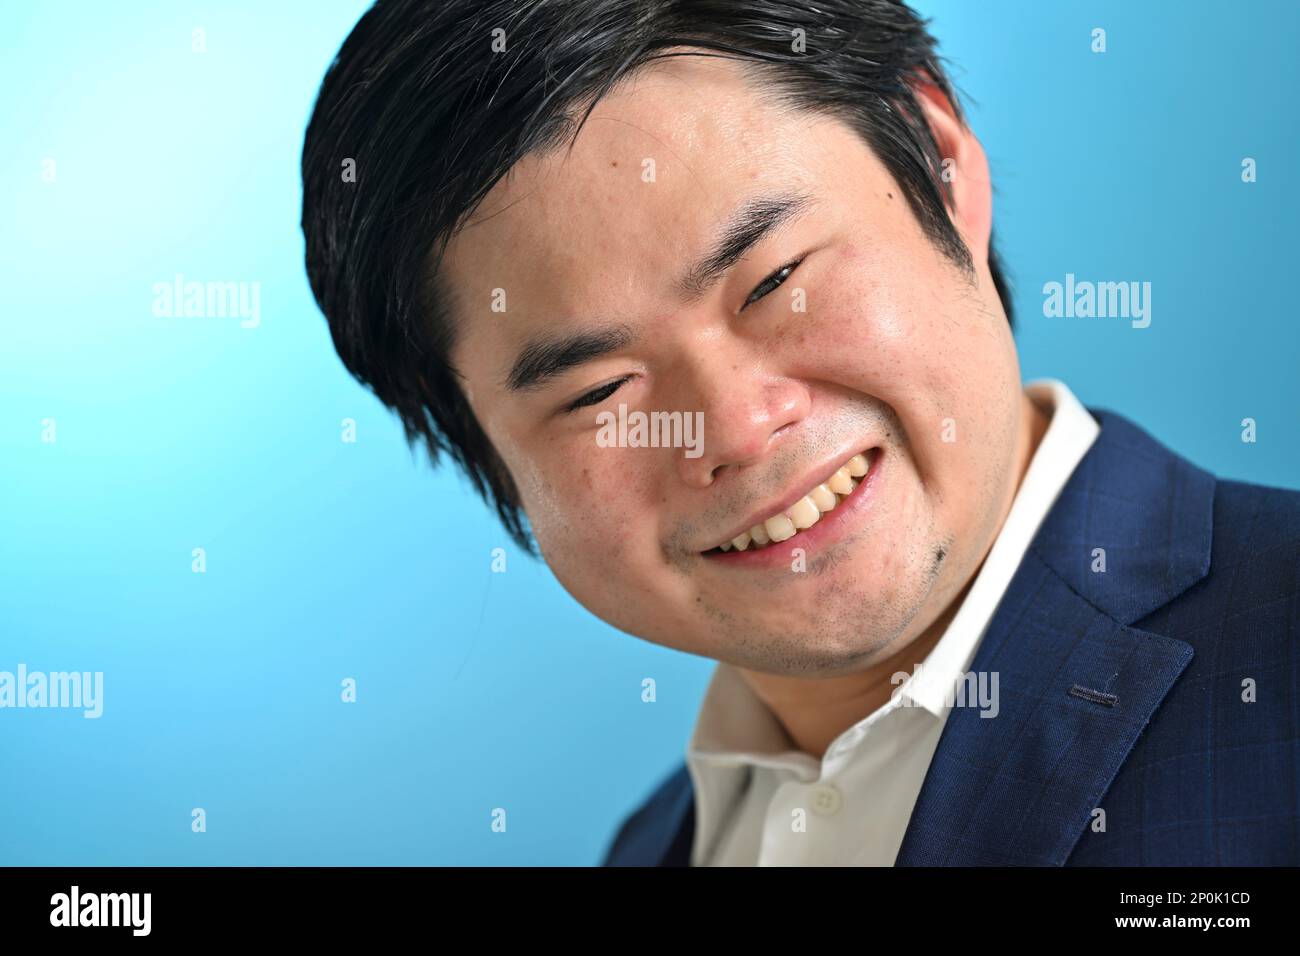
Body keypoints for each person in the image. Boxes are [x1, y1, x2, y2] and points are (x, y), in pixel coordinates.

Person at [300, 0, 1300, 865]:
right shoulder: (649, 846)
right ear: (478, 446)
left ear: (940, 163)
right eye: (599, 388)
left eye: (775, 280)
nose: (735, 426)